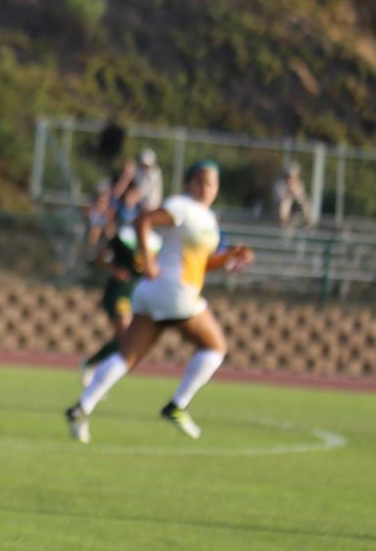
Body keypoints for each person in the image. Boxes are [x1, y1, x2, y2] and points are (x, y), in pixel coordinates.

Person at [65, 159, 252, 443]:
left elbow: (201, 263)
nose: (206, 187)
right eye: (200, 181)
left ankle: (81, 407)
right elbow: (144, 220)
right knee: (216, 347)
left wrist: (228, 258)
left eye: (212, 182)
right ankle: (177, 405)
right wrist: (149, 260)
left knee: (127, 356)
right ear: (189, 184)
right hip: (175, 291)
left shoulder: (209, 220)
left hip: (153, 292)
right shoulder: (182, 206)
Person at [78, 180, 155, 378]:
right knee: (126, 338)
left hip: (136, 295)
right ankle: (93, 368)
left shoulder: (156, 241)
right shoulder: (124, 236)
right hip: (118, 292)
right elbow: (100, 256)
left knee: (126, 340)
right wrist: (113, 268)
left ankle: (93, 366)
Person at [275, 162, 313, 229]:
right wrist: (289, 192)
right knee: (285, 202)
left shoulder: (299, 183)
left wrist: (295, 192)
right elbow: (280, 197)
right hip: (282, 204)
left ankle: (307, 221)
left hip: (296, 205)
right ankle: (284, 221)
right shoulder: (279, 183)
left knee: (305, 202)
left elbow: (301, 196)